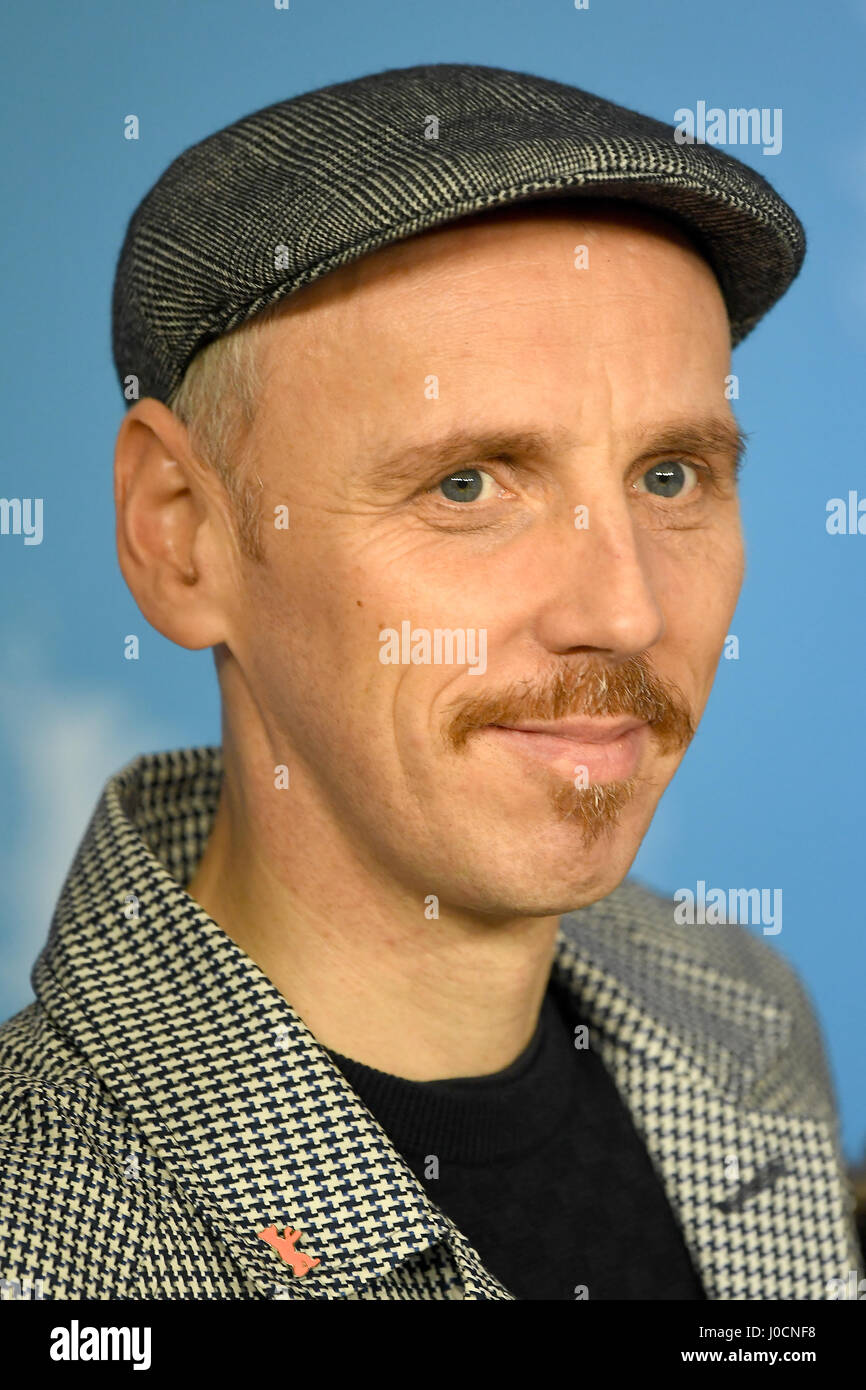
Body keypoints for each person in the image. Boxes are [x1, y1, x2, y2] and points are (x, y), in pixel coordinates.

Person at [0, 62, 860, 1301]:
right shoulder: (46, 1249)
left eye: (668, 475)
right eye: (466, 485)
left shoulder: (736, 1006)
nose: (624, 610)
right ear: (181, 533)